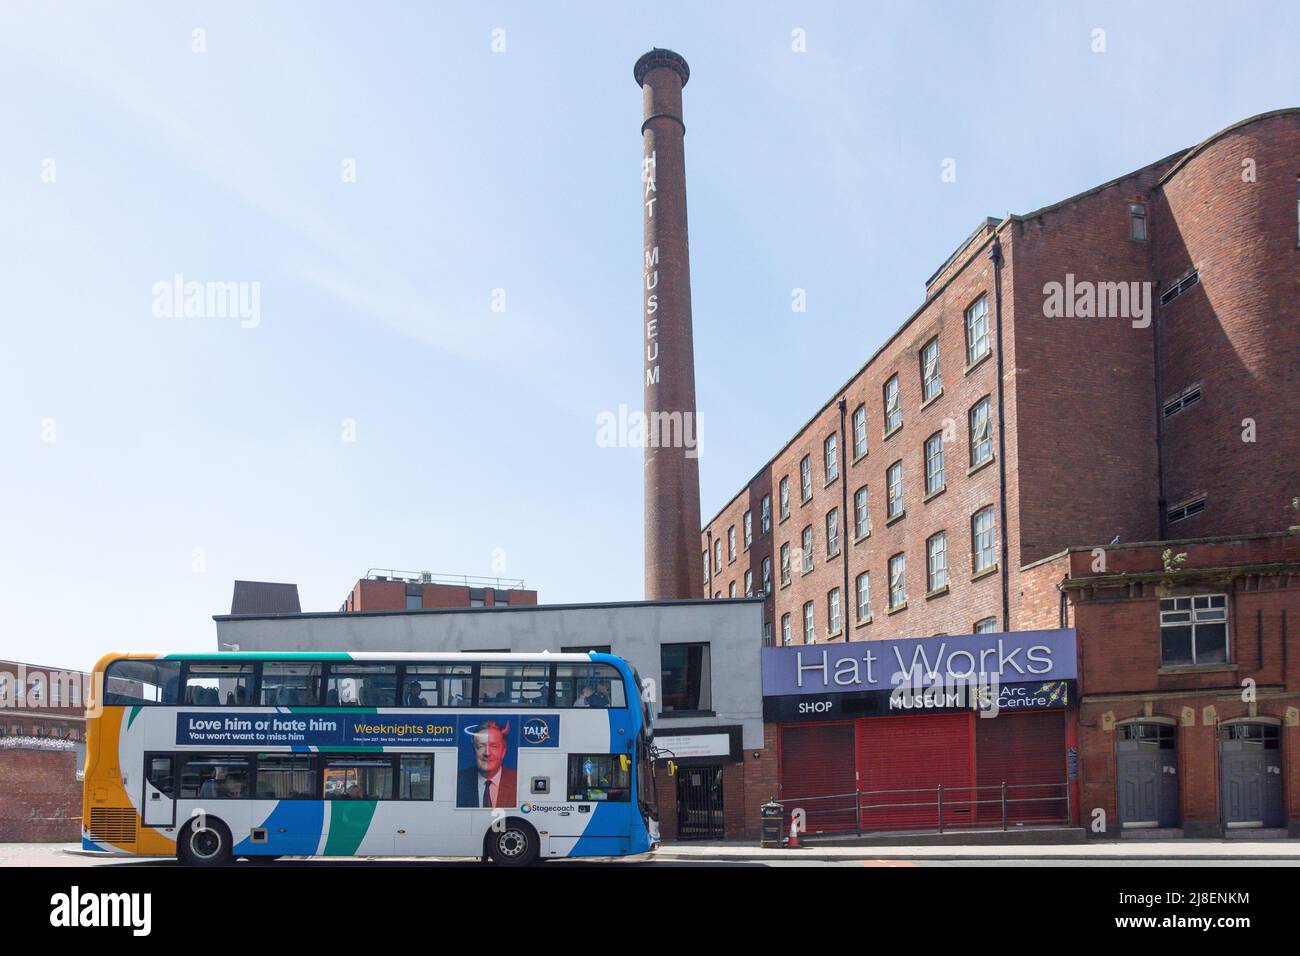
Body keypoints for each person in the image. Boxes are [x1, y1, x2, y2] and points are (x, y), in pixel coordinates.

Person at [456, 719, 517, 808]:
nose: (487, 753)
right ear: (474, 750)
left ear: (503, 751)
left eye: (494, 746)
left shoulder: (517, 780)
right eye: (481, 746)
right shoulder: (459, 781)